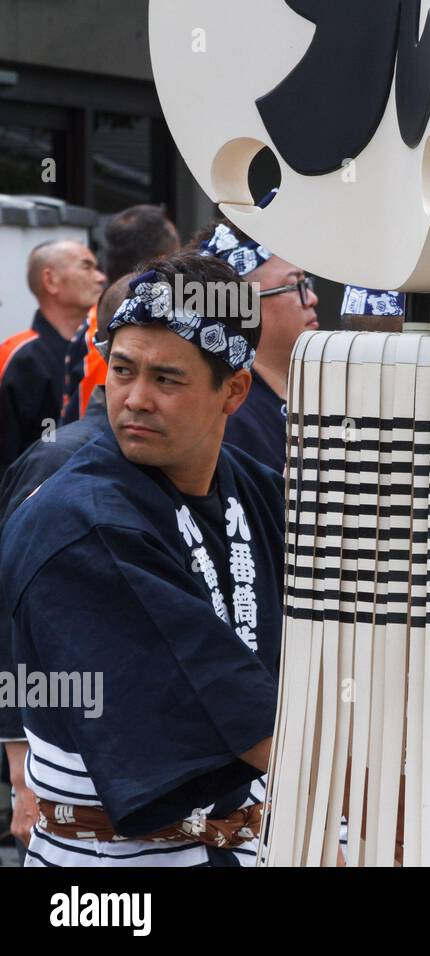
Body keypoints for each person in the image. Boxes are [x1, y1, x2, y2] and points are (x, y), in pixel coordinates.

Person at [0, 250, 284, 866]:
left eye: (167, 379)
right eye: (123, 370)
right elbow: (224, 700)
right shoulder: (79, 520)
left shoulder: (257, 487)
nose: (135, 399)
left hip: (249, 839)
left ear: (233, 390)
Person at [0, 279, 131, 862]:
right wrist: (22, 778)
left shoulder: (220, 468)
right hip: (70, 767)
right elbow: (13, 618)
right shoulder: (59, 460)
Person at [194, 220, 319, 475]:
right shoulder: (234, 418)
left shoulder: (306, 394)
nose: (312, 299)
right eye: (295, 285)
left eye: (307, 285)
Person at [60, 205, 181, 425]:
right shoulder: (116, 335)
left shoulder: (98, 317)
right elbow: (96, 431)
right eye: (123, 370)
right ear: (164, 259)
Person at [0, 241, 105, 473]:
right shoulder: (16, 356)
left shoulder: (96, 349)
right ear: (51, 280)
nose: (100, 277)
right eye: (87, 267)